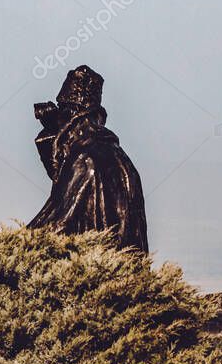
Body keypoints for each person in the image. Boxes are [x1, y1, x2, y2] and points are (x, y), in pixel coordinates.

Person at [27, 65, 148, 252]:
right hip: (122, 272)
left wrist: (12, 246)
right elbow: (60, 176)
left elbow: (57, 222)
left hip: (94, 271)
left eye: (62, 110)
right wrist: (52, 132)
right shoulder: (120, 158)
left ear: (73, 114)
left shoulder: (85, 160)